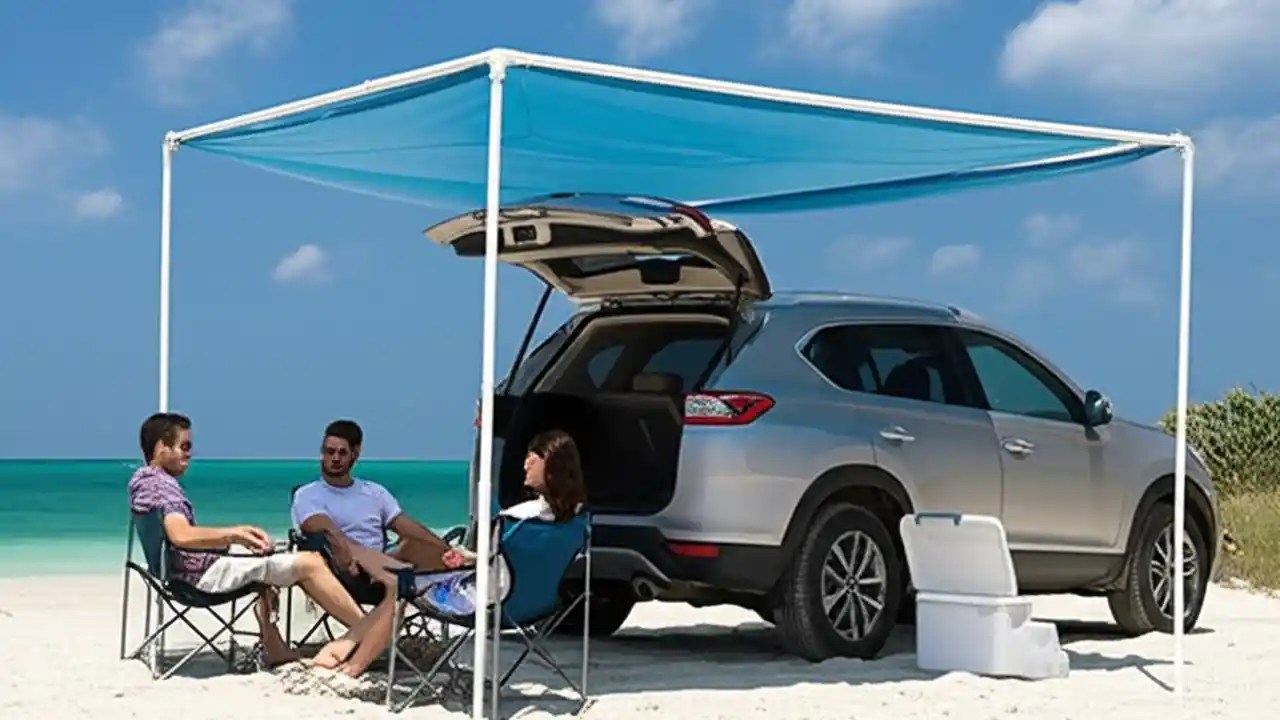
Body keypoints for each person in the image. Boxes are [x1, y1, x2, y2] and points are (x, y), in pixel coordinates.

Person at [309, 429, 587, 678]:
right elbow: (507, 560)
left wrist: (464, 559)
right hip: (537, 606)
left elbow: (495, 564)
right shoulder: (577, 521)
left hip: (484, 601)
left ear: (550, 465)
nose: (525, 465)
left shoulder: (516, 518)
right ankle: (357, 647)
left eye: (532, 459)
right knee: (410, 568)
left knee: (401, 585)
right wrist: (464, 556)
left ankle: (354, 662)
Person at [127, 412, 366, 669]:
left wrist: (232, 539)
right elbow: (181, 535)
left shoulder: (143, 482)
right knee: (311, 562)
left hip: (177, 574)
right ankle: (369, 633)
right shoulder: (161, 486)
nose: (189, 454)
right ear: (162, 447)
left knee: (266, 561)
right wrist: (235, 535)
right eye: (184, 446)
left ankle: (274, 648)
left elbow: (176, 538)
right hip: (198, 578)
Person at [291, 420, 454, 586]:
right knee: (330, 539)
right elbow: (326, 531)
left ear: (355, 454)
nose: (335, 458)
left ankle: (454, 574)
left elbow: (404, 525)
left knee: (420, 545)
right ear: (322, 453)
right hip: (344, 569)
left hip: (385, 560)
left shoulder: (374, 492)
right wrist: (368, 560)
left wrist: (445, 548)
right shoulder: (307, 494)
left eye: (342, 453)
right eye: (330, 452)